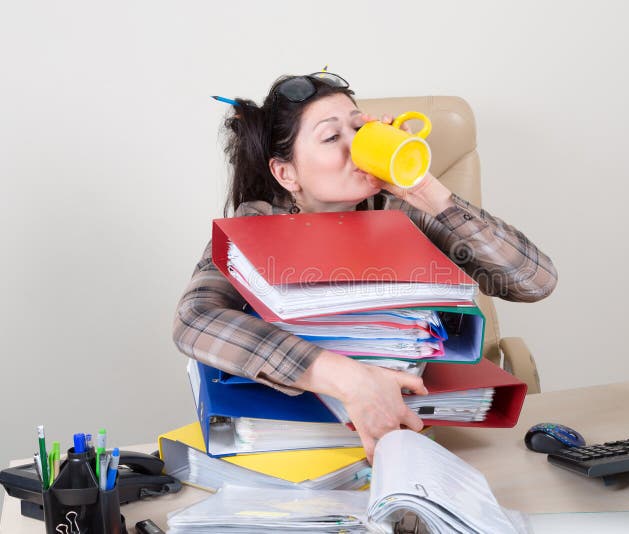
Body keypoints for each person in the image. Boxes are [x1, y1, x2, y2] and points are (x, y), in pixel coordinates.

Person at [173, 71, 558, 462]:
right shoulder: (253, 226)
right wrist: (349, 377)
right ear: (286, 173)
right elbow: (194, 318)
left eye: (360, 128)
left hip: (417, 432)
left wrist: (427, 190)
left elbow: (533, 282)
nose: (355, 146)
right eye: (331, 137)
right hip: (298, 439)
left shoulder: (404, 211)